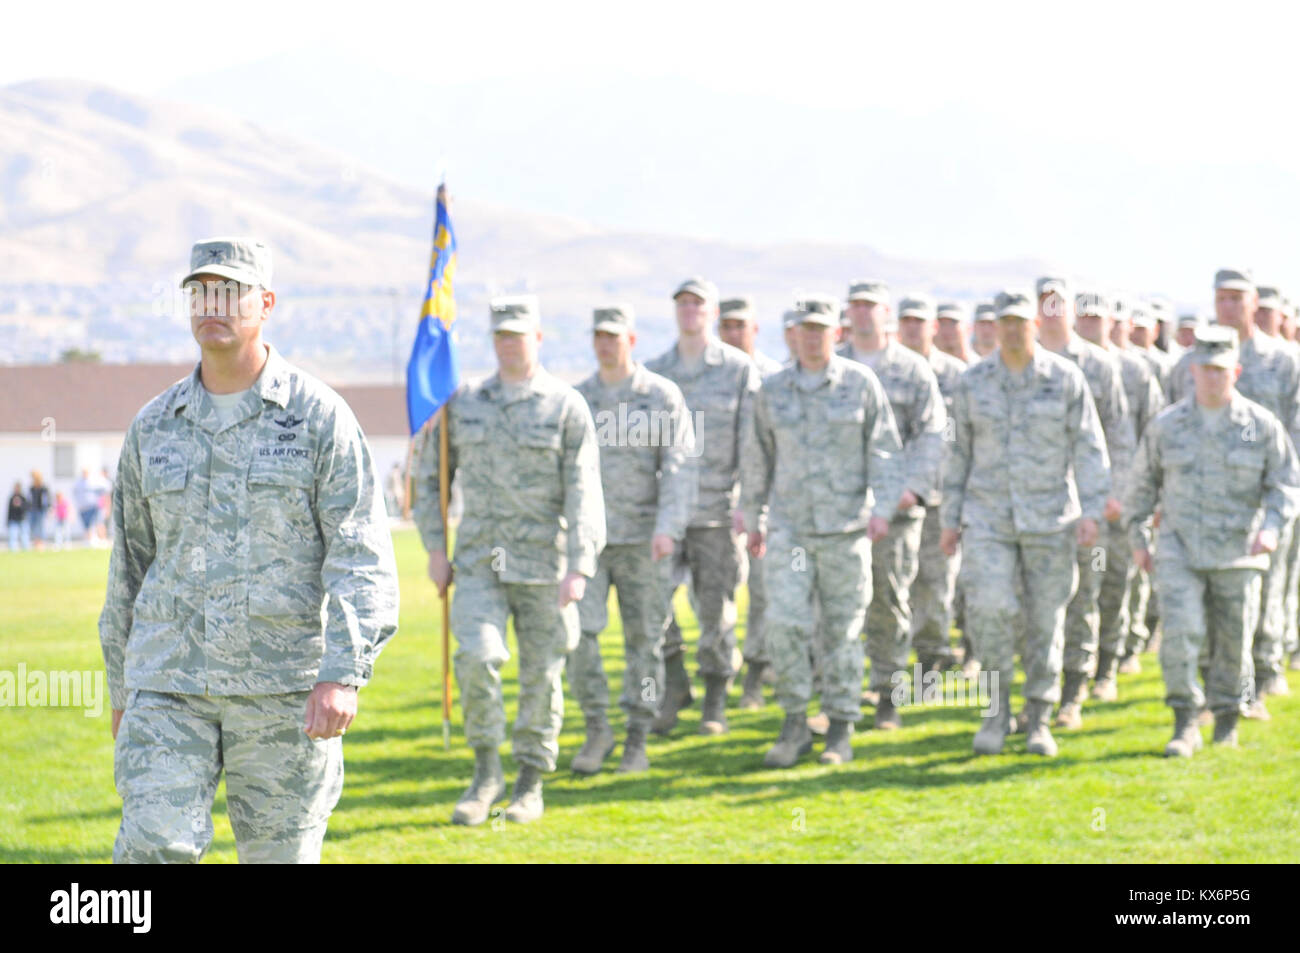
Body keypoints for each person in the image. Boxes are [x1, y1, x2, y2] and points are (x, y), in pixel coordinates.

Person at [99, 237, 399, 863]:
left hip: (283, 689)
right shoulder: (155, 425)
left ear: (265, 303)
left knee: (277, 858)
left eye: (229, 291)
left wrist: (342, 673)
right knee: (153, 844)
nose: (213, 304)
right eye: (200, 291)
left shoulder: (320, 418)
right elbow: (128, 569)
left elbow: (359, 552)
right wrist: (122, 691)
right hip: (170, 685)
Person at [414, 294, 605, 825]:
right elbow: (430, 479)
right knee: (476, 658)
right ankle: (485, 772)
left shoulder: (566, 406)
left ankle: (530, 782)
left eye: (518, 335)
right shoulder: (465, 403)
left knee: (542, 675)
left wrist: (581, 565)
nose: (509, 344)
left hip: (546, 565)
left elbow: (584, 489)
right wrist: (435, 547)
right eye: (500, 335)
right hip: (479, 563)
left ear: (538, 339)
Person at [941, 289, 1109, 757]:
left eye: (1020, 321)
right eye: (1004, 322)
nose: (1012, 330)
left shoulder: (1064, 378)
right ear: (993, 326)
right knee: (991, 612)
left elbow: (1089, 446)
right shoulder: (972, 383)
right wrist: (948, 519)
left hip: (1050, 519)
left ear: (1034, 324)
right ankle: (996, 712)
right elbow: (956, 454)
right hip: (988, 518)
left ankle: (1038, 715)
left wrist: (1093, 510)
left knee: (1046, 620)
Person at [1126, 327, 1300, 755]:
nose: (1212, 378)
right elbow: (1142, 487)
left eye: (1221, 370)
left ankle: (1227, 719)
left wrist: (1271, 527)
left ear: (1236, 372)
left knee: (1234, 641)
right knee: (1182, 635)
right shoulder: (1167, 427)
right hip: (1180, 549)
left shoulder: (1259, 426)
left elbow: (1285, 484)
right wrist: (1138, 537)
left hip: (1239, 553)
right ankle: (1185, 720)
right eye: (1204, 370)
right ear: (1191, 372)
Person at [741, 303, 902, 766]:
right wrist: (753, 516)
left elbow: (885, 449)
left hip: (845, 530)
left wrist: (883, 508)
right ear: (793, 335)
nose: (812, 338)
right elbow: (757, 457)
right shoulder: (771, 391)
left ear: (836, 332)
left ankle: (840, 726)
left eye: (820, 329)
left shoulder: (859, 384)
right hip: (790, 530)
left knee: (843, 631)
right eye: (803, 330)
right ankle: (793, 723)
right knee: (786, 625)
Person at [567, 304, 696, 774]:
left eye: (614, 336)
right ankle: (597, 726)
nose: (605, 344)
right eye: (599, 335)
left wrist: (669, 527)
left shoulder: (660, 396)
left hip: (645, 541)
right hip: (591, 543)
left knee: (645, 642)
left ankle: (638, 735)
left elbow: (680, 466)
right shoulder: (578, 399)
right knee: (579, 635)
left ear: (631, 340)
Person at [1167, 269, 1300, 714]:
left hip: (1265, 498)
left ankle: (1261, 676)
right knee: (1208, 605)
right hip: (1202, 504)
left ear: (1253, 302)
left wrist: (1285, 498)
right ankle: (1215, 691)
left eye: (1236, 298)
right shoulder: (1189, 364)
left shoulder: (1283, 361)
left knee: (1268, 593)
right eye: (1221, 298)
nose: (1228, 306)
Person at [645, 277, 759, 736]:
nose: (690, 310)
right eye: (683, 303)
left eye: (698, 303)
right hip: (668, 514)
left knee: (717, 611)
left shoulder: (738, 369)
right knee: (654, 604)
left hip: (716, 511)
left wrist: (748, 505)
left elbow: (753, 445)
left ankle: (716, 697)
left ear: (711, 312)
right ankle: (675, 682)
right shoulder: (655, 371)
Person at [838, 283, 946, 730]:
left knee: (889, 600)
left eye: (872, 306)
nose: (864, 314)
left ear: (887, 313)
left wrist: (914, 488)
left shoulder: (912, 370)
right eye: (857, 306)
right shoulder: (833, 364)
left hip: (896, 511)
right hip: (839, 510)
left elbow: (933, 434)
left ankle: (888, 693)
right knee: (839, 606)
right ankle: (839, 696)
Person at [1034, 277, 1132, 732]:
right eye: (1045, 304)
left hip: (1086, 507)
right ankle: (1038, 694)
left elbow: (1119, 434)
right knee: (1033, 606)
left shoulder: (1098, 365)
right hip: (1032, 509)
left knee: (1085, 597)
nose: (1053, 311)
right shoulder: (1019, 361)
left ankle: (1075, 690)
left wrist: (1115, 494)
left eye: (1060, 303)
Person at [1073, 291, 1164, 701]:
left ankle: (1109, 662)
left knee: (1114, 584)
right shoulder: (1065, 364)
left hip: (1118, 501)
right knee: (1078, 590)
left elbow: (1147, 436)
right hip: (1071, 502)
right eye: (1084, 317)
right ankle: (1078, 665)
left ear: (1112, 321)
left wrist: (1130, 495)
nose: (1091, 324)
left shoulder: (1134, 370)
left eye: (1098, 318)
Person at [717, 295, 784, 707]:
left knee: (762, 590)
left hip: (763, 503)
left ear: (754, 329)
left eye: (740, 325)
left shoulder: (774, 379)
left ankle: (758, 671)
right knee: (718, 592)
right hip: (716, 505)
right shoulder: (710, 379)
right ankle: (722, 667)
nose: (733, 333)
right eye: (726, 326)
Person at [901, 298, 970, 674]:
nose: (913, 328)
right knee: (892, 585)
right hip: (895, 496)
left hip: (940, 495)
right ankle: (889, 670)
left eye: (920, 321)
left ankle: (931, 659)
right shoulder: (887, 371)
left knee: (935, 581)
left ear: (934, 328)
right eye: (906, 320)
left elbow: (965, 439)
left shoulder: (958, 376)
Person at [75, 467, 108, 544]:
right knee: (87, 526)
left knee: (99, 523)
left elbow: (105, 490)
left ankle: (103, 539)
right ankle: (89, 541)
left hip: (94, 507)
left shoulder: (93, 482)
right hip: (83, 508)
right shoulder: (79, 483)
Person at [27, 471, 50, 551]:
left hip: (41, 510)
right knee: (32, 526)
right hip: (32, 510)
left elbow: (47, 499)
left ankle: (41, 543)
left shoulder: (44, 488)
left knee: (40, 526)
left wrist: (47, 508)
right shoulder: (32, 488)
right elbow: (29, 499)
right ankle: (36, 541)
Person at [7, 482, 28, 551]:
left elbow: (26, 508)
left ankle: (25, 549)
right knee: (13, 535)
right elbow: (9, 510)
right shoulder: (12, 498)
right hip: (13, 519)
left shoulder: (23, 498)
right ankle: (13, 549)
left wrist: (20, 505)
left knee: (24, 535)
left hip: (22, 519)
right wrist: (8, 520)